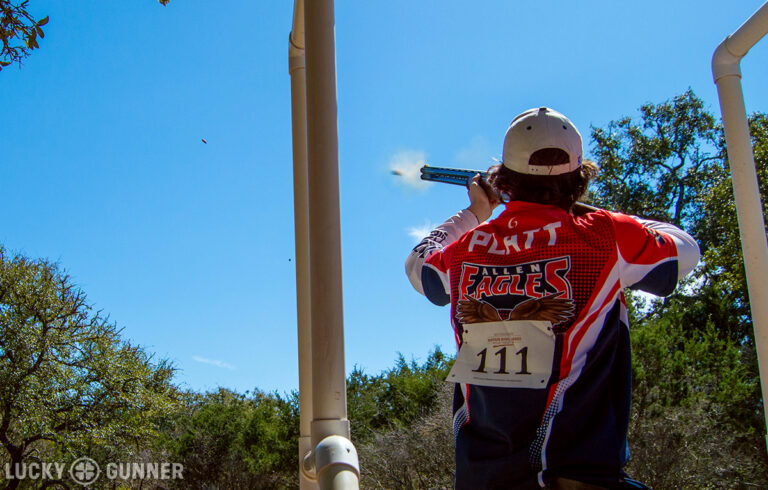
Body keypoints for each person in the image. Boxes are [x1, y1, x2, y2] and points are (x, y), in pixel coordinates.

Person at [405, 107, 700, 489]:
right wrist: (581, 209)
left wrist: (476, 210)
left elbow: (418, 264)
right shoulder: (604, 235)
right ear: (579, 178)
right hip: (576, 477)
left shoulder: (463, 252)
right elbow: (686, 250)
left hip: (482, 479)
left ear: (505, 179)